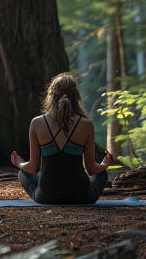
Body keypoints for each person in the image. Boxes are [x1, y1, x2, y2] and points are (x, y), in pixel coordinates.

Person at [10, 72, 112, 204]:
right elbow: (92, 169)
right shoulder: (86, 124)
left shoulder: (37, 123)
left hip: (47, 197)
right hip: (82, 196)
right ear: (76, 96)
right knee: (102, 173)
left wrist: (18, 163)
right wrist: (104, 164)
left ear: (50, 95)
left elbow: (33, 168)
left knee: (23, 173)